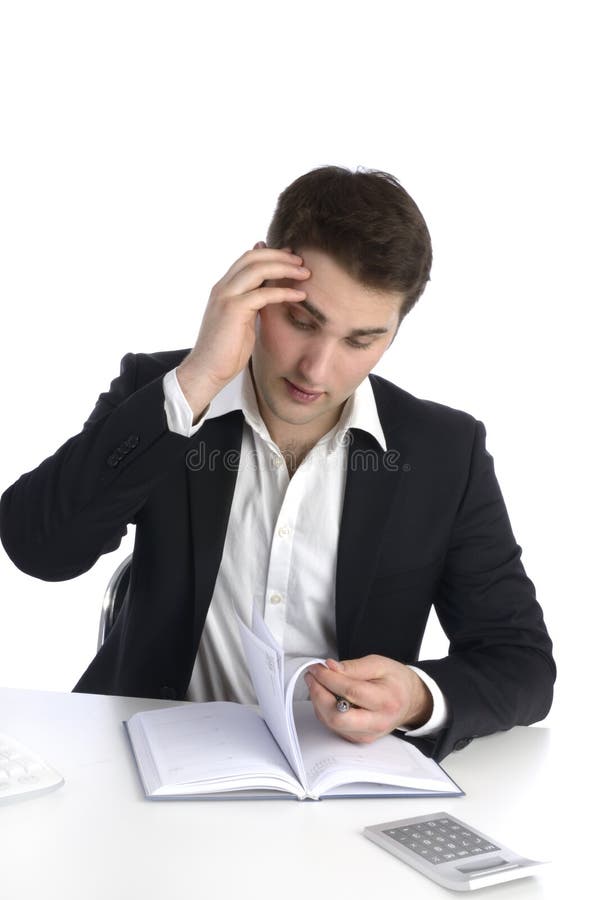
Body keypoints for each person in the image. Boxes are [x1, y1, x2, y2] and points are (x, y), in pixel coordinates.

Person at [0, 165, 555, 761]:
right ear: (257, 286)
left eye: (359, 341)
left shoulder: (444, 451)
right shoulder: (164, 394)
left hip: (335, 788)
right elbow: (40, 548)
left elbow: (519, 661)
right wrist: (196, 382)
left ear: (393, 334)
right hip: (147, 765)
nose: (317, 369)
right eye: (301, 321)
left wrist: (419, 698)